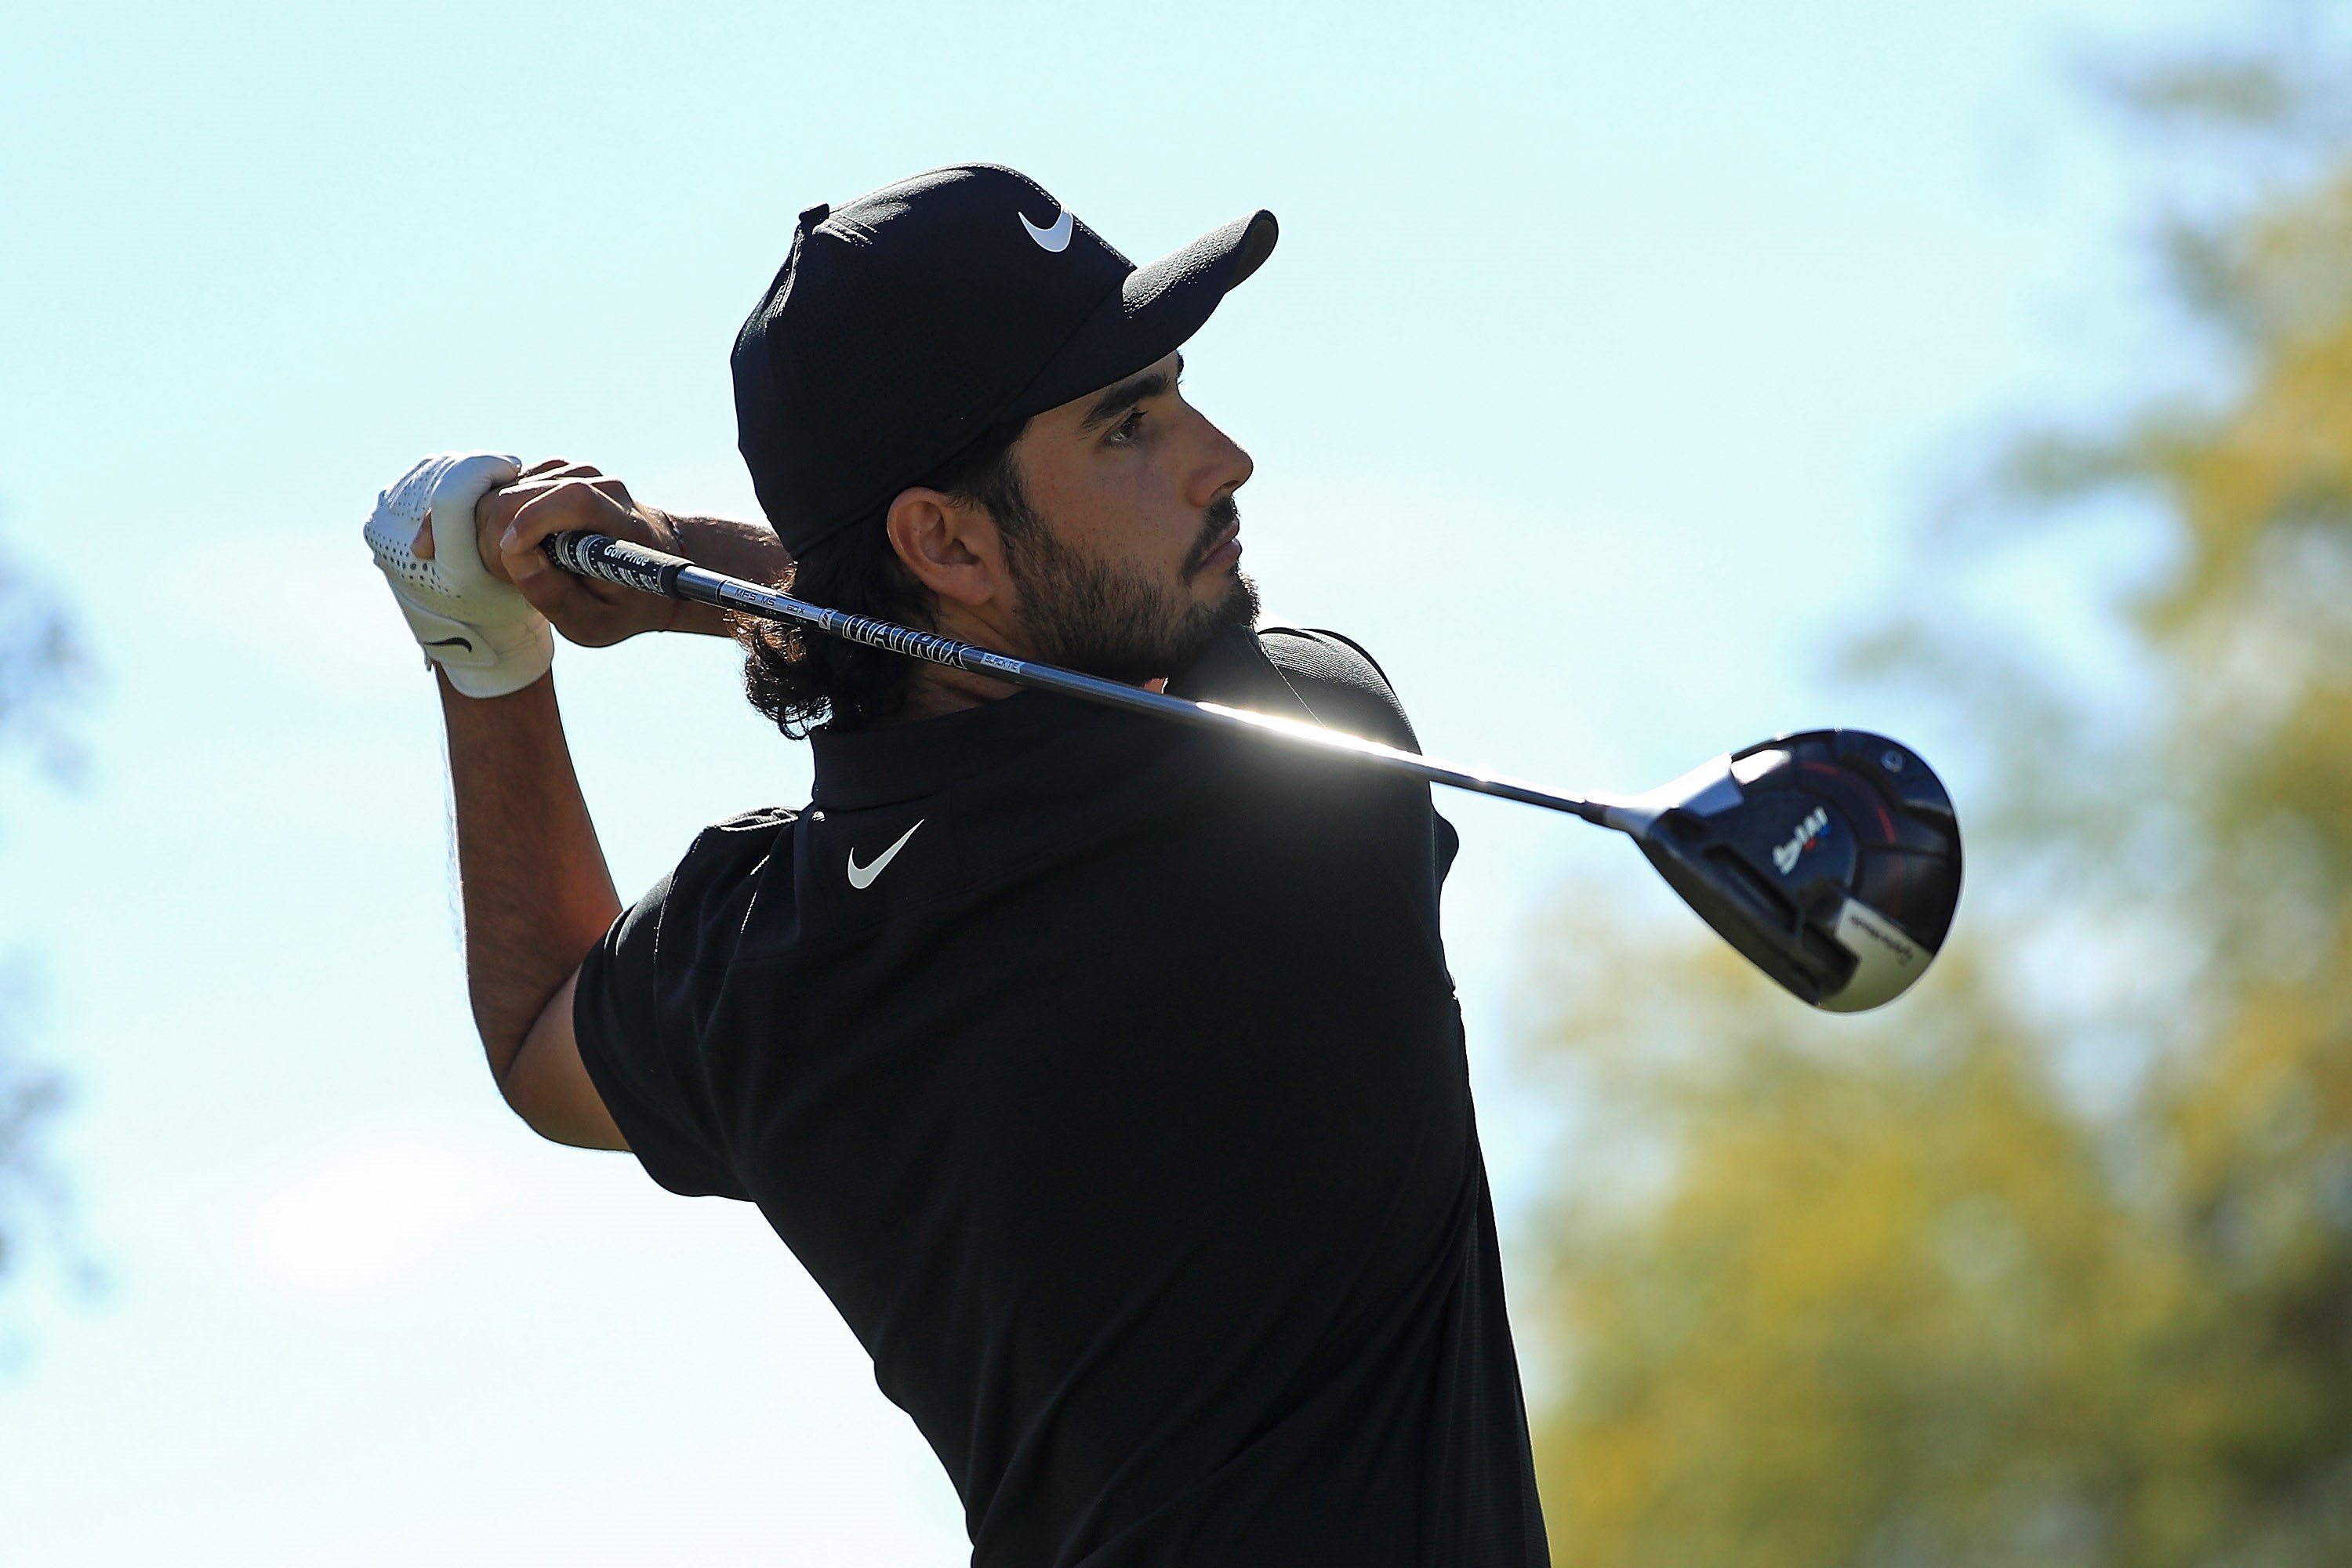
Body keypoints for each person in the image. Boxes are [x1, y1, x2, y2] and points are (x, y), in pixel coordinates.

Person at [366, 164, 1550, 1567]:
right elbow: (1092, 643)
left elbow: (536, 1035)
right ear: (943, 539)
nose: (1222, 457)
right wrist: (683, 562)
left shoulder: (762, 960)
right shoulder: (1304, 769)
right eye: (1129, 423)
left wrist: (483, 656)